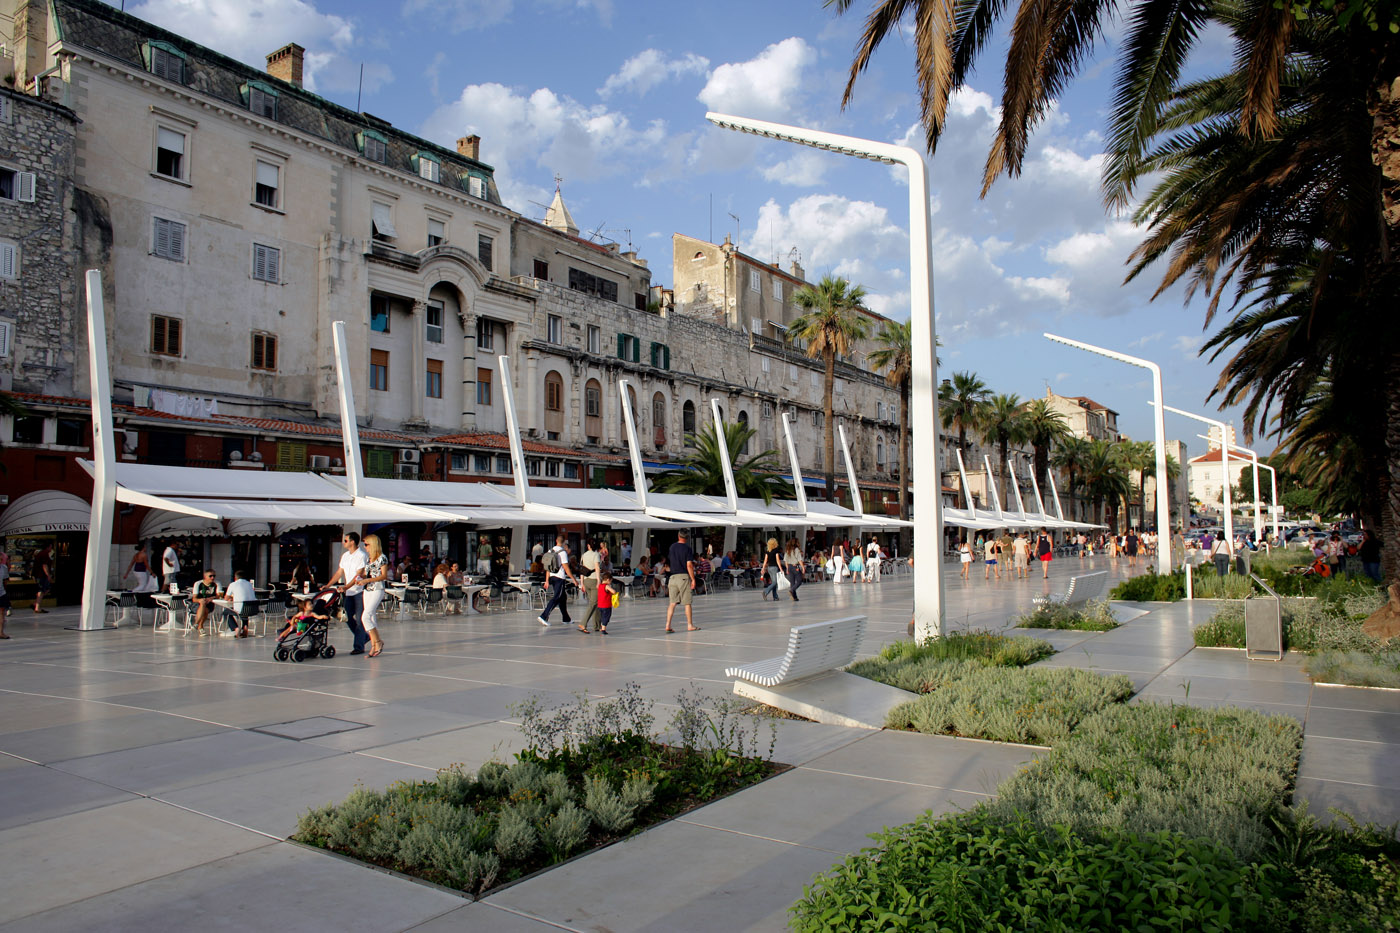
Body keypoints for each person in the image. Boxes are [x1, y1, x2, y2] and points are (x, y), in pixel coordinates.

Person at [327, 531, 369, 655]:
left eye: (345, 540)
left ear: (352, 542)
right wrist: (328, 585)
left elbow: (359, 575)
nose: (343, 542)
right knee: (346, 617)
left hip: (359, 591)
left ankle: (359, 646)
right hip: (349, 592)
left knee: (360, 619)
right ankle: (363, 637)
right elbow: (339, 572)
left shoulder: (361, 555)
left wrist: (346, 587)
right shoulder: (345, 555)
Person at [356, 534, 389, 657]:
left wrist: (368, 580)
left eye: (366, 544)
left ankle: (378, 641)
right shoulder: (368, 558)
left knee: (365, 616)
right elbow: (367, 573)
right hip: (367, 589)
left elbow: (383, 576)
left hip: (377, 589)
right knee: (371, 617)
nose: (365, 547)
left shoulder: (382, 558)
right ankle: (375, 644)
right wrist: (361, 577)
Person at [538, 534, 579, 627]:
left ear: (556, 540)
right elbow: (566, 568)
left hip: (552, 576)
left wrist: (547, 580)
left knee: (562, 597)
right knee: (557, 597)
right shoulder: (562, 552)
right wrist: (574, 579)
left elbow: (547, 567)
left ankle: (566, 618)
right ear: (564, 542)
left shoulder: (550, 551)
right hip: (559, 577)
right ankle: (544, 616)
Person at [665, 531, 700, 633]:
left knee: (672, 603)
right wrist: (693, 579)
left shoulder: (672, 547)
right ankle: (690, 625)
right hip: (683, 577)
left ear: (678, 536)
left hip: (672, 577)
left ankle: (668, 624)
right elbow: (689, 565)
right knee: (687, 602)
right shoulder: (687, 548)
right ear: (687, 538)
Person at [579, 541, 612, 632]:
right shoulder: (596, 555)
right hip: (594, 580)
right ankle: (583, 623)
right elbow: (597, 568)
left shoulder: (584, 555)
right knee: (593, 603)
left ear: (588, 546)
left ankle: (597, 625)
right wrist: (598, 580)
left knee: (596, 603)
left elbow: (581, 569)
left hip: (586, 580)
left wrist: (582, 583)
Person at [224, 569, 257, 638]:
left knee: (226, 612)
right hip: (253, 609)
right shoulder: (249, 584)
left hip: (241, 609)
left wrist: (231, 598)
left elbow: (226, 598)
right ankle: (245, 627)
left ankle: (235, 628)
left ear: (235, 578)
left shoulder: (233, 584)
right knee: (245, 610)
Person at [190, 569, 221, 636]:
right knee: (203, 605)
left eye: (214, 576)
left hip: (210, 603)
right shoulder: (198, 584)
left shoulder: (217, 584)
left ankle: (197, 624)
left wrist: (210, 598)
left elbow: (219, 596)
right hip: (197, 604)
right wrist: (200, 600)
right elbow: (194, 598)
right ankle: (200, 626)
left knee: (205, 607)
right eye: (210, 576)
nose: (212, 578)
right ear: (205, 576)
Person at [592, 570, 619, 635]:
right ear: (608, 580)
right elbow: (613, 591)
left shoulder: (600, 586)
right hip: (606, 605)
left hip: (600, 605)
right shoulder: (606, 586)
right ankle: (603, 629)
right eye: (610, 581)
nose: (610, 582)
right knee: (606, 617)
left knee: (602, 616)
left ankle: (601, 626)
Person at [761, 537, 785, 601]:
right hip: (774, 567)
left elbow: (765, 560)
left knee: (774, 582)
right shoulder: (776, 551)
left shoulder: (768, 551)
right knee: (775, 582)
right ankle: (766, 591)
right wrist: (781, 568)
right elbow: (778, 560)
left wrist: (763, 568)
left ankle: (775, 597)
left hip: (769, 568)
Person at [30, 544, 52, 613]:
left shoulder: (42, 553)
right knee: (41, 590)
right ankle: (37, 607)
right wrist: (48, 574)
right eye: (50, 547)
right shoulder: (44, 554)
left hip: (40, 575)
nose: (51, 548)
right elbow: (44, 565)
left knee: (46, 589)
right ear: (48, 547)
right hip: (41, 575)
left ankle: (35, 603)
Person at [0, 551, 11, 639]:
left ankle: (0, 632)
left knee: (1, 613)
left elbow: (5, 580)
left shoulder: (3, 567)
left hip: (1, 592)